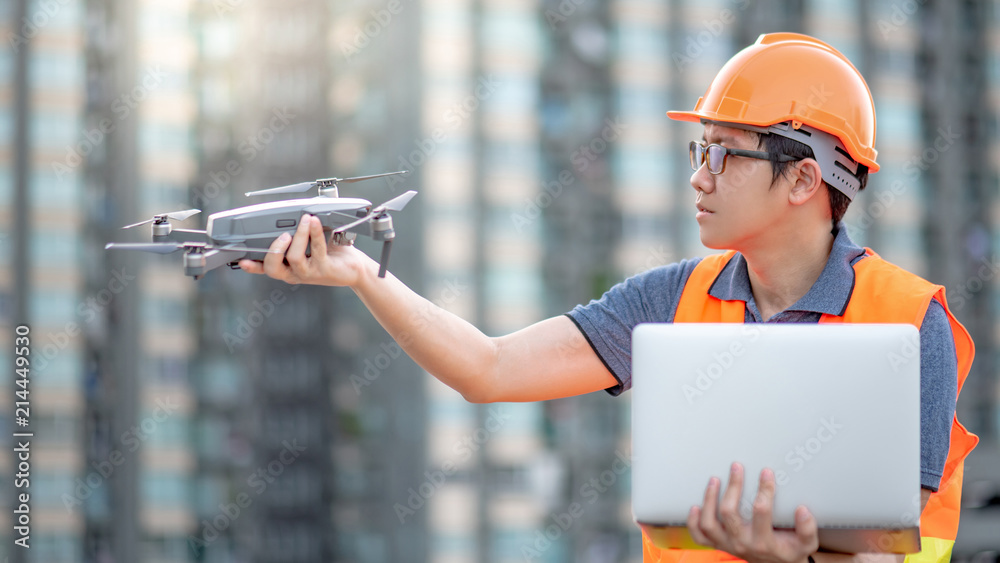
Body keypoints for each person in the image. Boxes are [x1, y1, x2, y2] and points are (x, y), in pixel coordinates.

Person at [240, 32, 975, 563]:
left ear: (805, 180)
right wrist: (365, 274)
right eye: (699, 150)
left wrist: (796, 557)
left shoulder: (912, 321)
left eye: (724, 152)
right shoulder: (666, 300)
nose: (700, 176)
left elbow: (896, 544)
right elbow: (488, 369)